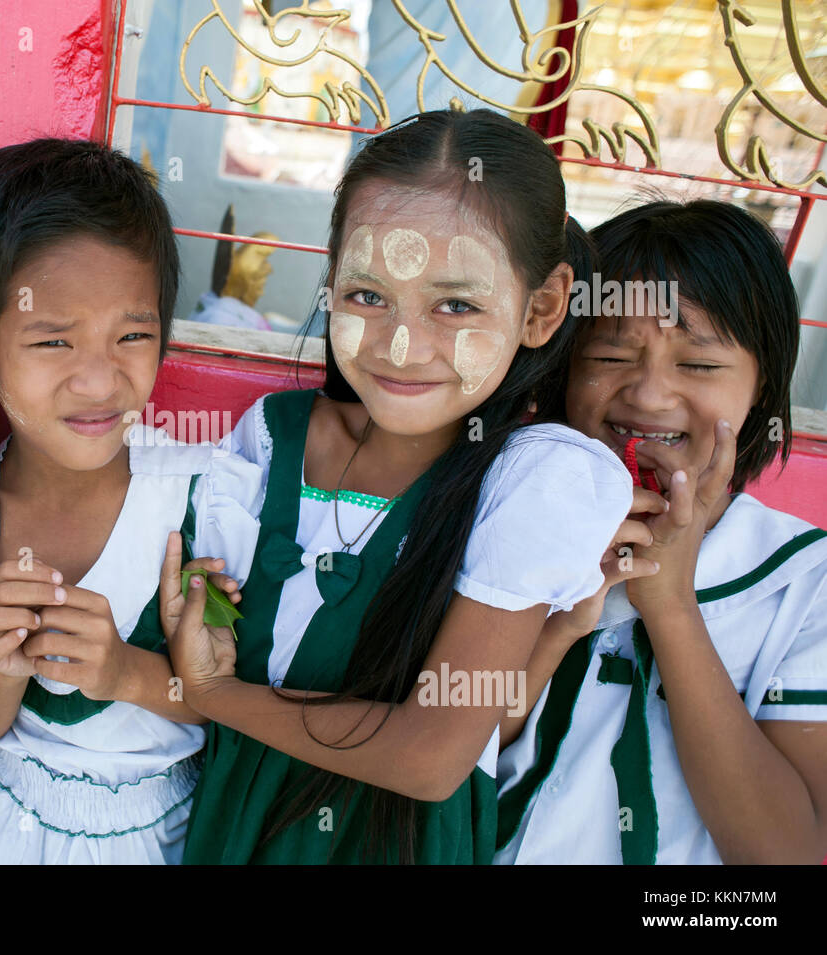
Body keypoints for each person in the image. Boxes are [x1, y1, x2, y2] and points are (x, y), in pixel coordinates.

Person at [164, 108, 632, 864]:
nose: (402, 347)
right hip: (232, 827)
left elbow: (430, 753)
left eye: (457, 305)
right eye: (368, 296)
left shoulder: (533, 481)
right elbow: (213, 621)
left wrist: (217, 696)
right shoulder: (269, 439)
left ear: (542, 308)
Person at [0, 139, 261, 863]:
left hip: (163, 836)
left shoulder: (203, 504)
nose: (98, 380)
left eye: (133, 335)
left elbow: (233, 704)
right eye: (53, 341)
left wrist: (126, 672)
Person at [495, 199, 827, 864]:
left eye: (699, 365)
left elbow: (783, 854)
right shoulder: (502, 513)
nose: (649, 396)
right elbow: (444, 741)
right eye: (611, 354)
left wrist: (670, 602)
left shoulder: (804, 581)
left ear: (762, 385)